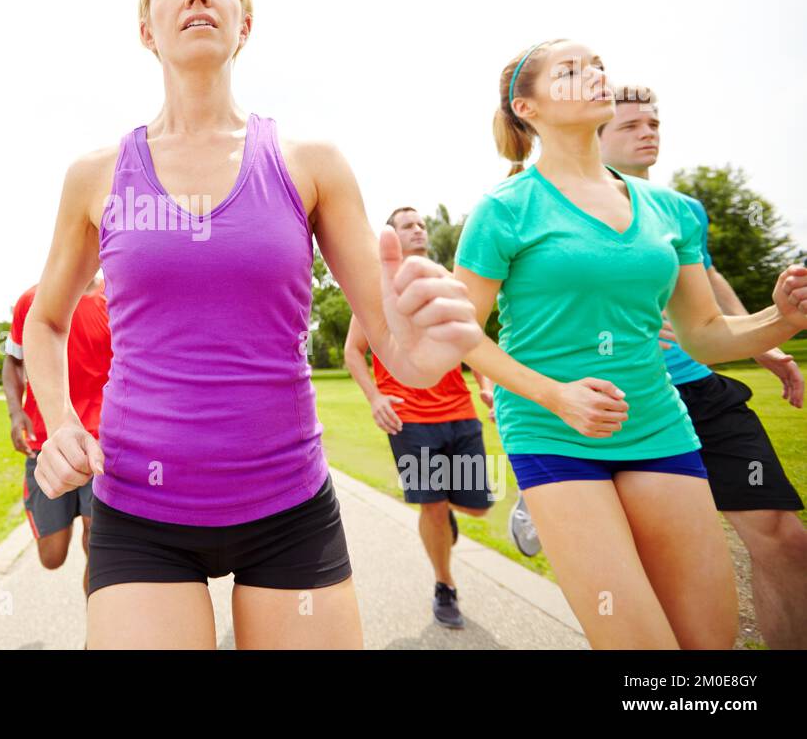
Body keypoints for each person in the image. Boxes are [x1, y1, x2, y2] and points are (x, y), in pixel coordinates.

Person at [22, 0, 484, 649]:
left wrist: (423, 354)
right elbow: (45, 323)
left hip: (288, 510)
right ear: (147, 30)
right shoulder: (97, 175)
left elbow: (397, 343)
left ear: (246, 21)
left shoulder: (312, 164)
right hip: (141, 515)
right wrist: (60, 424)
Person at [452, 38, 807, 649]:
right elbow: (461, 335)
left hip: (659, 426)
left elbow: (704, 334)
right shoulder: (503, 210)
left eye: (598, 66)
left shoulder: (670, 210)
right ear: (527, 108)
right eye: (570, 71)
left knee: (708, 652)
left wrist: (781, 319)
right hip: (553, 431)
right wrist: (557, 397)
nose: (595, 75)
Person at [598, 87, 807, 648]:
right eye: (631, 125)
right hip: (623, 406)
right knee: (660, 572)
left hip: (699, 388)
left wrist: (765, 337)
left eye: (654, 122)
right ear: (592, 137)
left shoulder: (681, 210)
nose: (650, 132)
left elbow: (705, 287)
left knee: (785, 540)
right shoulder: (553, 209)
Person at [344, 206, 495, 629]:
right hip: (409, 419)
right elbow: (353, 351)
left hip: (459, 411)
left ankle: (443, 516)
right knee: (431, 506)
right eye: (407, 225)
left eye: (421, 224)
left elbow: (471, 341)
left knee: (477, 508)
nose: (418, 230)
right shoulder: (376, 290)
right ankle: (445, 586)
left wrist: (485, 385)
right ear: (391, 237)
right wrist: (376, 399)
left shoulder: (446, 284)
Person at [2, 273, 111, 598]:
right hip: (46, 444)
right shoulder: (32, 300)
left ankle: (98, 632)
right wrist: (14, 412)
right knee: (52, 557)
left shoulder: (117, 297)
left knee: (98, 540)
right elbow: (13, 361)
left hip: (100, 446)